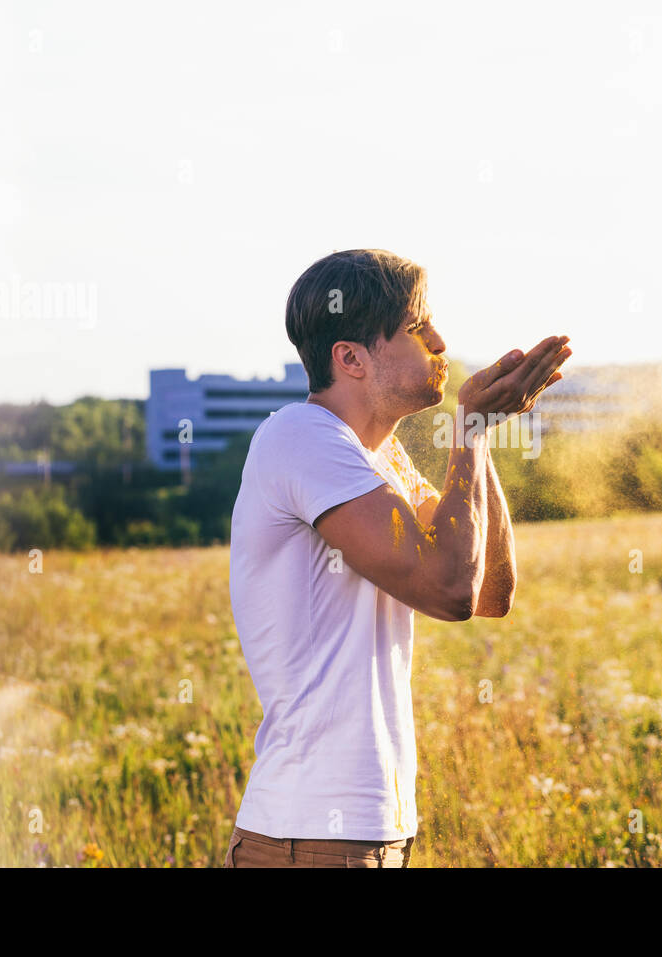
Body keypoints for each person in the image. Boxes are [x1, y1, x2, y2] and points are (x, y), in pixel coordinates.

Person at [224, 248, 571, 867]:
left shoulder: (381, 460)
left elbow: (489, 592)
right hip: (310, 837)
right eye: (417, 326)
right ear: (350, 358)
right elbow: (448, 591)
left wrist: (479, 436)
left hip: (364, 831)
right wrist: (466, 430)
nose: (439, 341)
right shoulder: (299, 438)